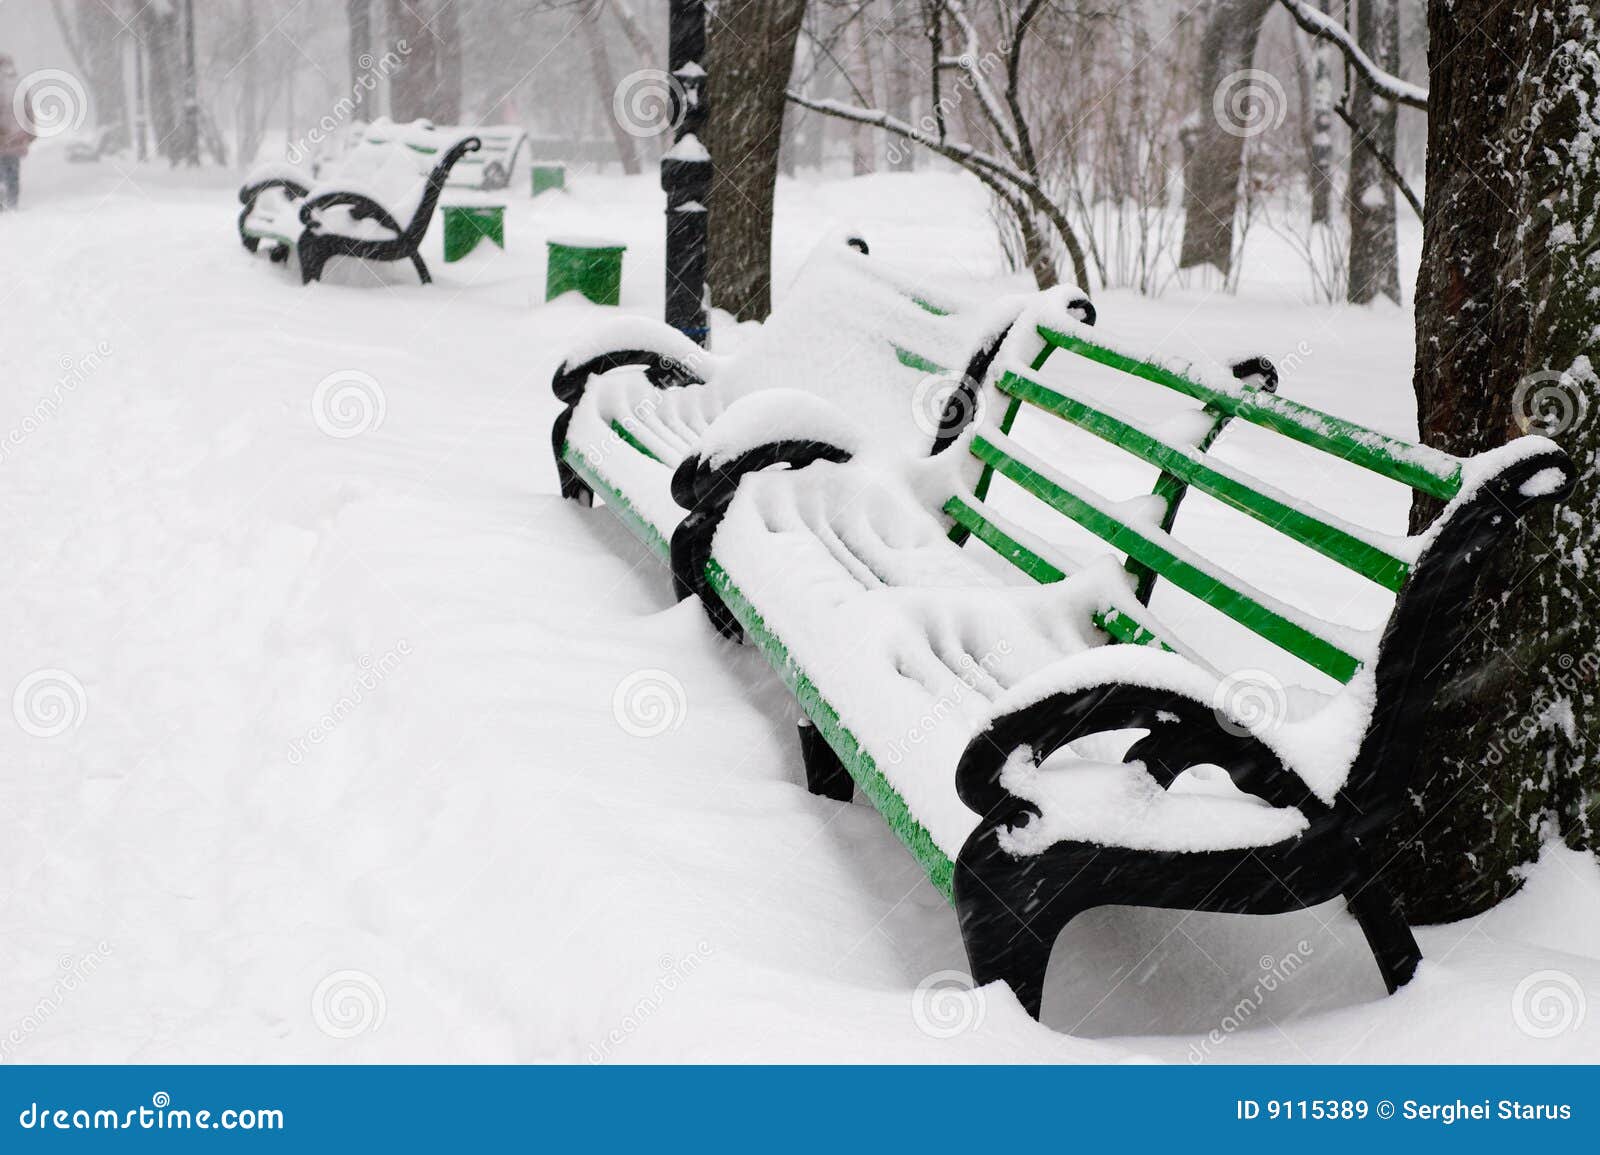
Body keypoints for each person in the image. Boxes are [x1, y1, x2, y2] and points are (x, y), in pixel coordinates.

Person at [0, 55, 34, 211]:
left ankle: (4, 199)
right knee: (12, 169)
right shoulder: (20, 83)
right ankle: (12, 201)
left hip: (3, 136)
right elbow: (28, 110)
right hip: (16, 137)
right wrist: (31, 132)